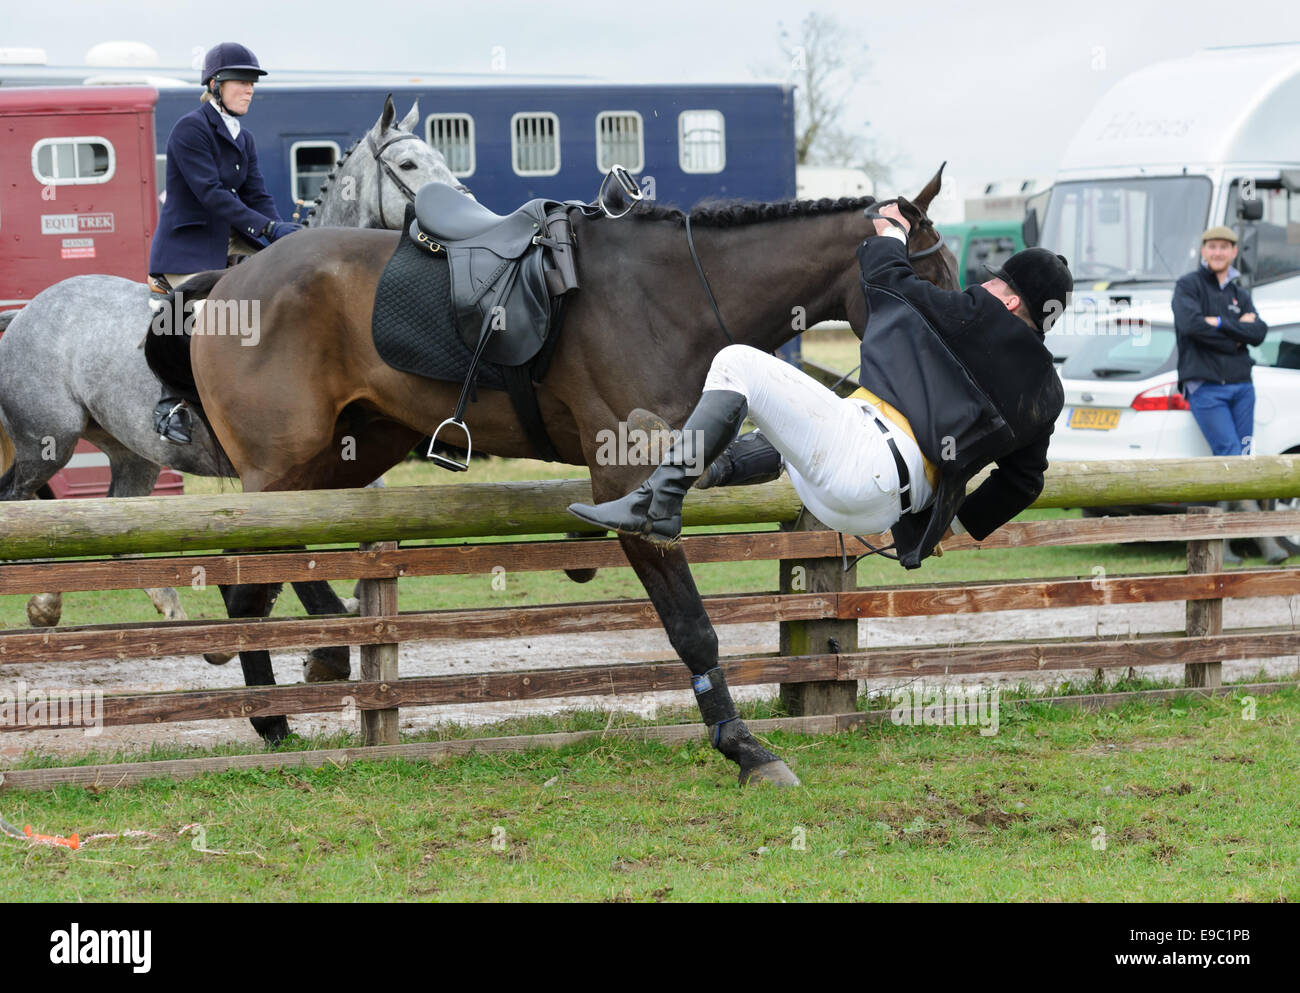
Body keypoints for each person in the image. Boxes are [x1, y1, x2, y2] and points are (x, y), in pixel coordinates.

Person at [148, 42, 302, 444]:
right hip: (191, 242)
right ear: (215, 85)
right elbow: (212, 194)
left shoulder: (244, 138)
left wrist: (280, 231)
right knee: (202, 313)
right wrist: (266, 231)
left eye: (252, 83)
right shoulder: (190, 129)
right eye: (241, 82)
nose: (249, 89)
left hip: (230, 232)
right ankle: (171, 404)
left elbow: (257, 194)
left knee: (291, 274)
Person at [1172, 225, 1285, 564]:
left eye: (1225, 247)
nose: (1218, 252)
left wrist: (1219, 324)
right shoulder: (1187, 286)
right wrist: (1237, 333)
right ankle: (1264, 541)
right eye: (1212, 246)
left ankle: (1228, 544)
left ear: (1234, 251)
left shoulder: (1239, 290)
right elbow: (1191, 326)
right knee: (1230, 454)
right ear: (1203, 250)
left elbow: (1259, 332)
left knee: (1239, 460)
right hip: (1205, 386)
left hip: (1241, 386)